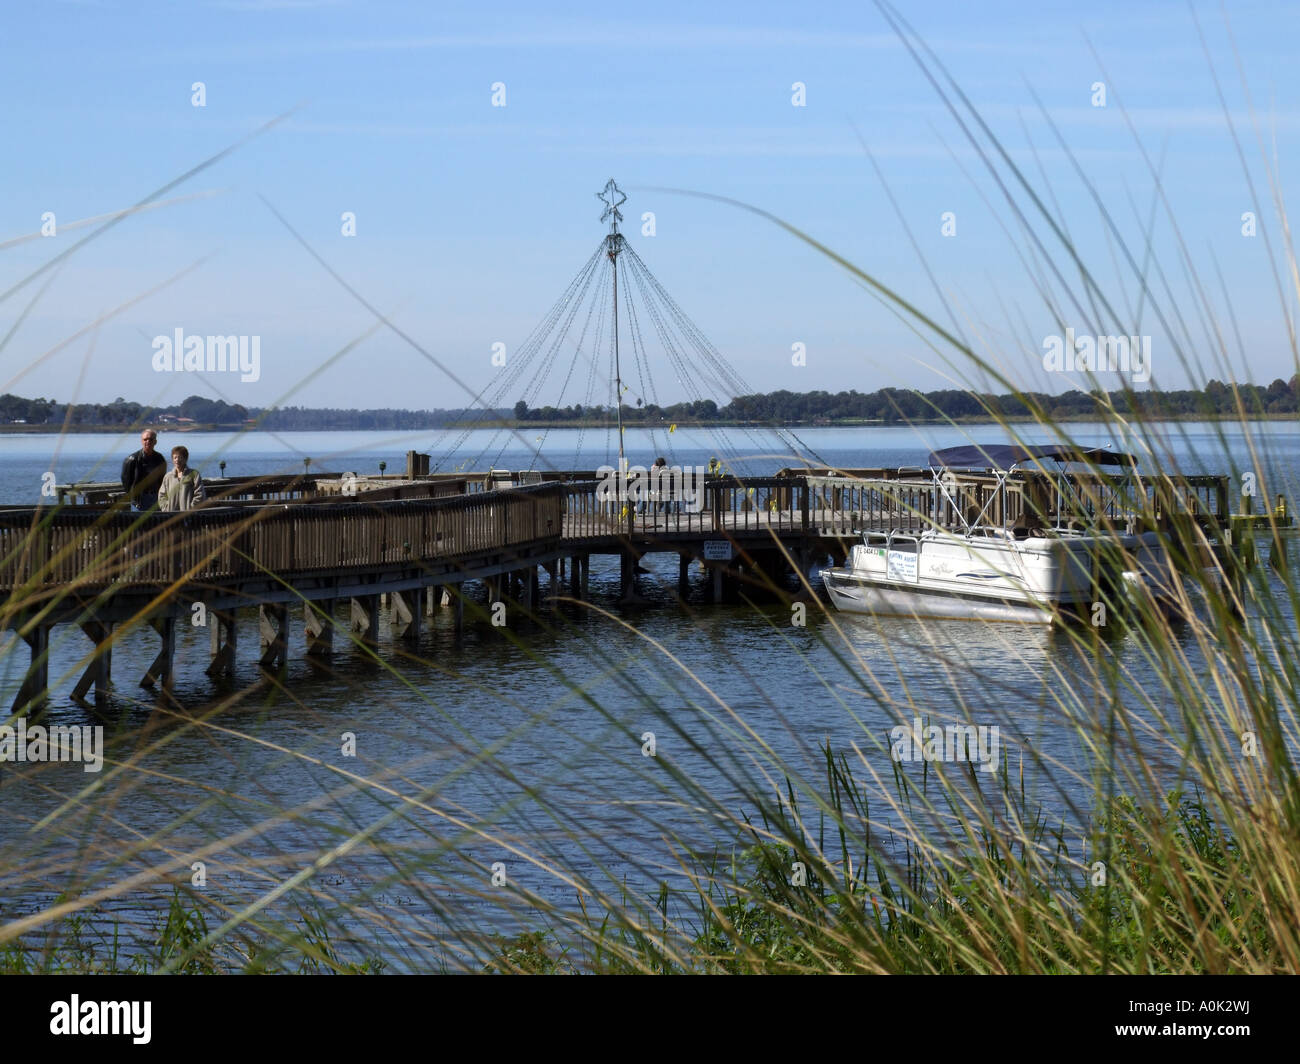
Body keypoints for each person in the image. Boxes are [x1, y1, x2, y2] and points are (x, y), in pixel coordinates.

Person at [120, 429, 167, 510]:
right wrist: (133, 497)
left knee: (156, 522)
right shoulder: (132, 459)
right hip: (139, 500)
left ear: (155, 442)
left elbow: (163, 479)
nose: (148, 441)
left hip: (156, 497)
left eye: (151, 439)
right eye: (145, 439)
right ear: (141, 441)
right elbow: (126, 481)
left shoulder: (160, 458)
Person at [158, 445, 207, 511]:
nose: (177, 460)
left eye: (180, 457)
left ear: (186, 459)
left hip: (189, 517)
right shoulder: (168, 477)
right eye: (175, 458)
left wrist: (191, 508)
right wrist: (166, 508)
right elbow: (162, 495)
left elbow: (200, 495)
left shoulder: (194, 474)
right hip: (171, 516)